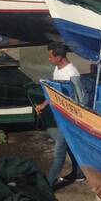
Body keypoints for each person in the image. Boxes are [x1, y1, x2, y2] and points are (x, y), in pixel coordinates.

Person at [39, 43, 83, 189]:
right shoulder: (57, 68)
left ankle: (49, 184)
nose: (49, 59)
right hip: (59, 115)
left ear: (59, 57)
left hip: (68, 119)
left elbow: (79, 100)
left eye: (51, 56)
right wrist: (44, 104)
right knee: (69, 146)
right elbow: (54, 90)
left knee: (59, 152)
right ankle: (78, 172)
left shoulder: (72, 74)